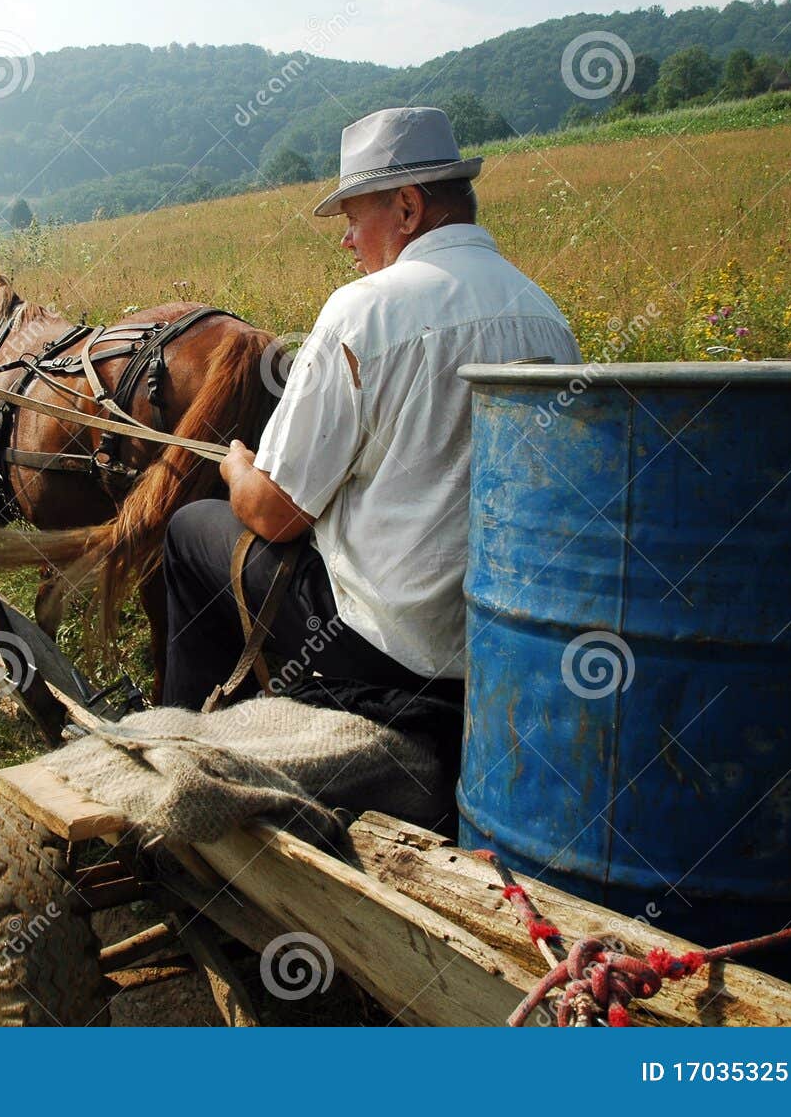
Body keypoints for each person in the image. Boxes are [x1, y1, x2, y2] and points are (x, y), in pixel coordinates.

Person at [161, 106, 582, 711]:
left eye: (355, 219)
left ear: (407, 208)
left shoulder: (365, 310)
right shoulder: (543, 311)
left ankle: (186, 736)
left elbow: (278, 515)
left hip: (391, 643)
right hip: (504, 634)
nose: (347, 240)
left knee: (188, 531)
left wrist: (237, 470)